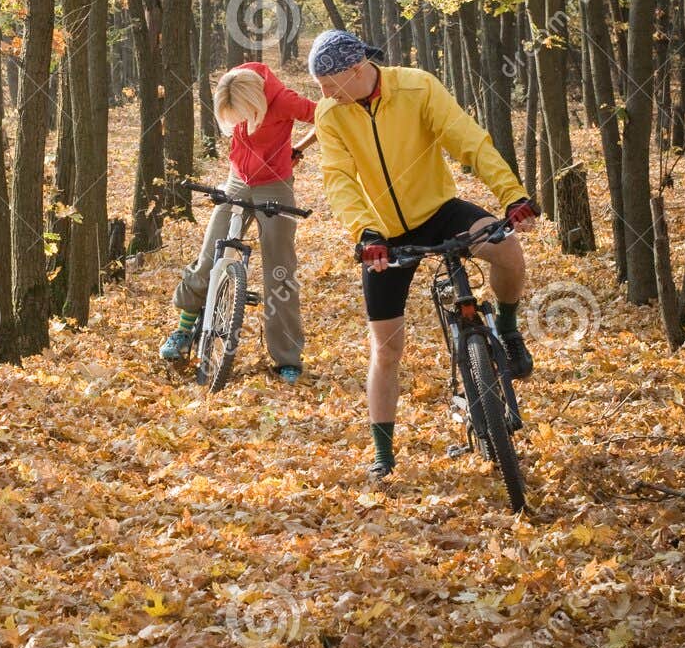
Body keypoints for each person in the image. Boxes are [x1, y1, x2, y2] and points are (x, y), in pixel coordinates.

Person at [307, 29, 539, 480]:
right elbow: (338, 178)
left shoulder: (416, 86)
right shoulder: (331, 114)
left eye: (329, 86)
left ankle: (508, 331)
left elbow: (468, 140)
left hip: (440, 212)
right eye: (320, 90)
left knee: (507, 249)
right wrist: (365, 232)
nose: (326, 97)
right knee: (386, 348)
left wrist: (512, 195)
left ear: (357, 70)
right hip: (382, 236)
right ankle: (384, 456)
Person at [159, 62, 317, 383]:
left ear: (257, 103)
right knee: (209, 258)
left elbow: (328, 116)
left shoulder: (284, 100)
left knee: (280, 271)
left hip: (275, 184)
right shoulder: (233, 86)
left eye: (245, 116)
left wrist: (299, 147)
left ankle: (287, 358)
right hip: (236, 181)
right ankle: (184, 330)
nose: (240, 122)